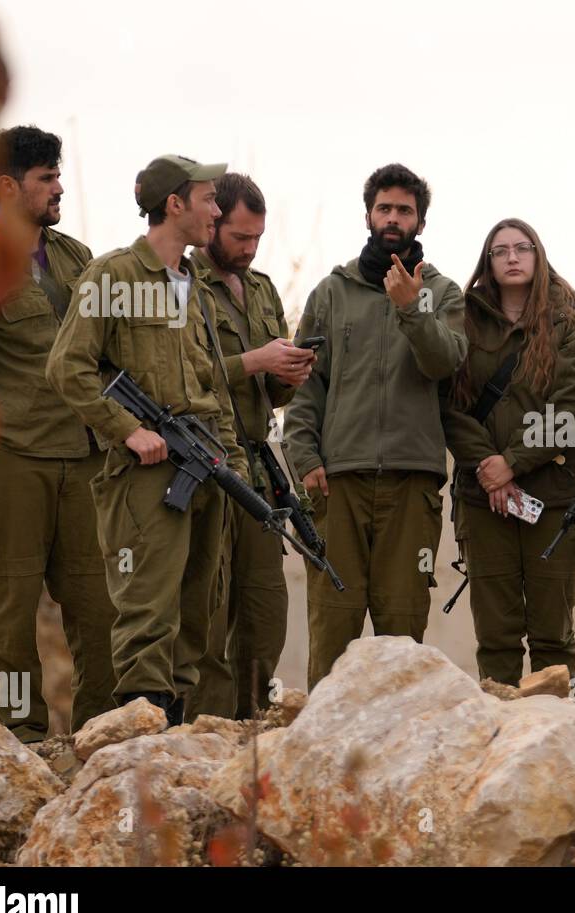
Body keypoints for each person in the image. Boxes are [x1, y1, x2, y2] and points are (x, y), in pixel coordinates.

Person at [0, 125, 115, 740]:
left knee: (99, 608)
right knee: (9, 615)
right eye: (47, 178)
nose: (59, 188)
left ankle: (102, 737)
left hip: (83, 459)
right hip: (10, 464)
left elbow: (106, 354)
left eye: (59, 175)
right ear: (8, 187)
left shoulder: (77, 259)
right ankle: (22, 742)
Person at [47, 154, 247, 725]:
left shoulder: (197, 288)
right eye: (208, 199)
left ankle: (174, 734)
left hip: (204, 466)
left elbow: (212, 386)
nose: (217, 211)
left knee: (195, 611)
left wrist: (234, 465)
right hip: (146, 475)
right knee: (148, 611)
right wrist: (128, 430)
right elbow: (67, 368)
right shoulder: (112, 275)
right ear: (174, 204)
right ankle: (141, 741)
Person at [284, 163, 467, 689]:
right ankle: (324, 735)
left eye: (404, 211)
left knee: (402, 634)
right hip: (337, 483)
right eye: (384, 208)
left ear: (420, 223)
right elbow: (305, 384)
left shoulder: (443, 293)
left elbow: (445, 362)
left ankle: (400, 736)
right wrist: (304, 458)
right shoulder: (330, 292)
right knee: (332, 627)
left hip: (412, 484)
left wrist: (411, 310)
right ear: (368, 215)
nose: (393, 218)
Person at [441, 219, 575, 686]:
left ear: (538, 254)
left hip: (554, 495)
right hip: (483, 498)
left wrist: (510, 463)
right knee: (496, 635)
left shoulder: (573, 319)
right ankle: (501, 722)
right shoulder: (462, 318)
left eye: (522, 248)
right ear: (487, 262)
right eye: (500, 251)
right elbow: (448, 403)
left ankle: (554, 723)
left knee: (552, 635)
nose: (512, 257)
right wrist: (488, 467)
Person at [189, 173, 315, 719]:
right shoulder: (182, 284)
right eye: (240, 237)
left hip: (259, 468)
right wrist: (255, 360)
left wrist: (289, 373)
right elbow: (182, 374)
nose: (249, 249)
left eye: (257, 238)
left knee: (265, 608)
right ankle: (207, 728)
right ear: (213, 223)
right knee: (209, 611)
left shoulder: (260, 288)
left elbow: (273, 394)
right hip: (206, 461)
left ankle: (255, 725)